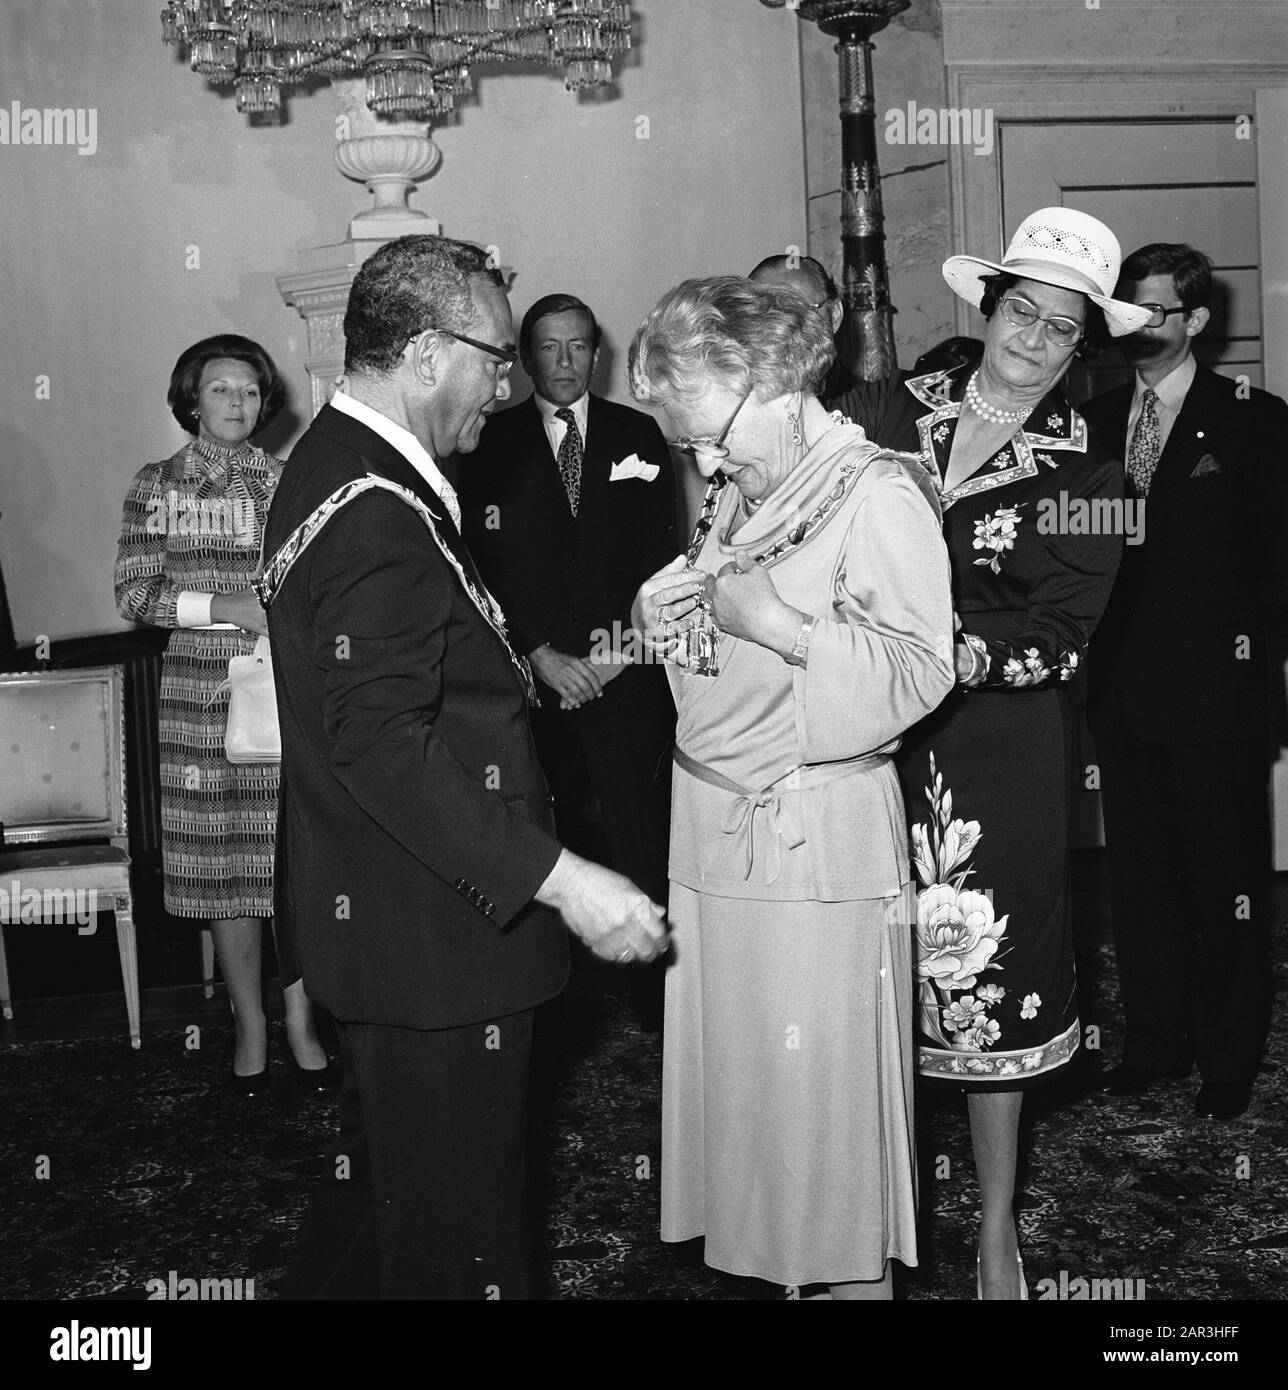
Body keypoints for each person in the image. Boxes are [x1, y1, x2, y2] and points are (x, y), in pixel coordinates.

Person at [264, 235, 668, 1300]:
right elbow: (382, 747)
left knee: (384, 1215)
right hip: (435, 945)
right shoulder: (372, 516)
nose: (509, 383)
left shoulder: (346, 466)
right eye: (496, 357)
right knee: (462, 1246)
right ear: (427, 352)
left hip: (390, 926)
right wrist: (565, 877)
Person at [836, 206, 1150, 1298]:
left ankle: (994, 1228)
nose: (1034, 338)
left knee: (986, 982)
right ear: (989, 306)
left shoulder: (1095, 478)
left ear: (1080, 346)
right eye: (1023, 311)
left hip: (993, 754)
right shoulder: (884, 411)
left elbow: (1060, 640)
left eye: (1062, 329)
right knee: (864, 975)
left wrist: (941, 653)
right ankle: (867, 1213)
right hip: (861, 742)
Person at [629, 276, 955, 1300]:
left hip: (812, 851)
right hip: (718, 844)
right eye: (687, 444)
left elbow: (918, 672)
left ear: (767, 381)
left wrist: (775, 623)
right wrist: (665, 622)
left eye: (706, 432)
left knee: (827, 1146)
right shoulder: (741, 490)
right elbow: (716, 673)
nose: (703, 461)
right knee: (756, 1131)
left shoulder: (879, 490)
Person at [1084, 243, 1288, 1122]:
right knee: (1139, 881)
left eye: (1155, 312)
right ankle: (1155, 1042)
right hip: (1119, 700)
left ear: (1198, 320)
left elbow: (1279, 568)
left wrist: (1257, 681)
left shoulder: (1255, 420)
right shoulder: (1089, 422)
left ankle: (1228, 1059)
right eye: (1124, 311)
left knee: (1227, 884)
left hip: (1216, 700)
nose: (1135, 328)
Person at [114, 334, 334, 1096]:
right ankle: (249, 1022)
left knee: (289, 865)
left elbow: (317, 583)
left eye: (248, 391)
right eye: (220, 390)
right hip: (195, 705)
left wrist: (278, 610)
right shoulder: (157, 484)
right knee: (220, 869)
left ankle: (302, 1018)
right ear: (191, 398)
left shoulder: (291, 479)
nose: (237, 403)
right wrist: (224, 607)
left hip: (283, 691)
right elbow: (135, 594)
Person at [459, 293, 677, 1026]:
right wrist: (537, 653)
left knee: (642, 836)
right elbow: (478, 563)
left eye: (578, 346)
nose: (564, 362)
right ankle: (551, 1006)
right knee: (538, 843)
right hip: (533, 680)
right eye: (548, 347)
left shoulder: (639, 434)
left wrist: (617, 655)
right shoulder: (485, 442)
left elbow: (662, 561)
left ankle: (656, 1005)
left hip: (628, 677)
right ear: (523, 357)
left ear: (598, 353)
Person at [749, 253, 861, 408]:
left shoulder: (867, 407)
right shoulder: (733, 405)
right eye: (765, 313)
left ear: (835, 316)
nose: (783, 327)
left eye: (799, 310)